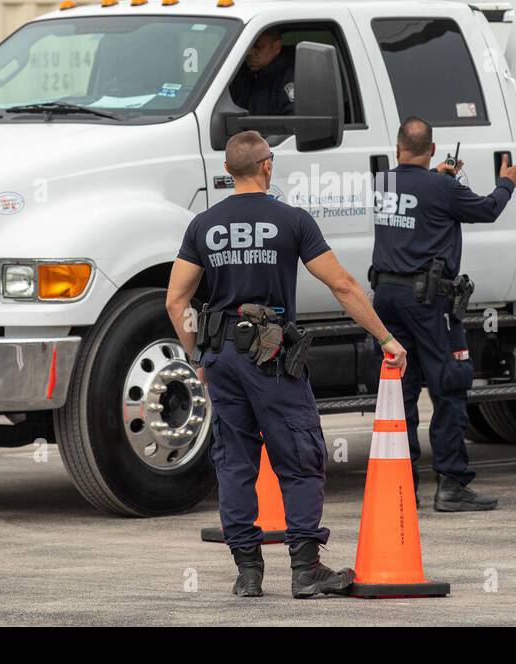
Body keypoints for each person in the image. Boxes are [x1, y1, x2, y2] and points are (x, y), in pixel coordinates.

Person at [166, 130, 408, 598]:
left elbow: (177, 301)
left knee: (235, 460)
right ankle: (305, 569)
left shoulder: (203, 225)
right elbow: (343, 285)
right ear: (267, 166)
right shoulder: (291, 220)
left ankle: (248, 573)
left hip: (222, 357)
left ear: (228, 171)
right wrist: (386, 337)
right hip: (270, 356)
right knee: (300, 456)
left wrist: (197, 354)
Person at [370, 116, 516, 512]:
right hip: (428, 304)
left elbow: (418, 197)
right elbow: (488, 209)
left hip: (386, 298)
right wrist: (506, 181)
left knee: (400, 392)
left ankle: (401, 487)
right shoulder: (442, 188)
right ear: (433, 149)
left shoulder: (383, 183)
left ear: (396, 149)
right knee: (449, 385)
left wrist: (439, 180)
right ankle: (452, 485)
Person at [229, 29, 294, 115]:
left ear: (276, 47)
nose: (250, 53)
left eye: (258, 46)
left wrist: (262, 129)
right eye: (247, 47)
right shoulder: (239, 73)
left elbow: (295, 123)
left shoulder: (290, 77)